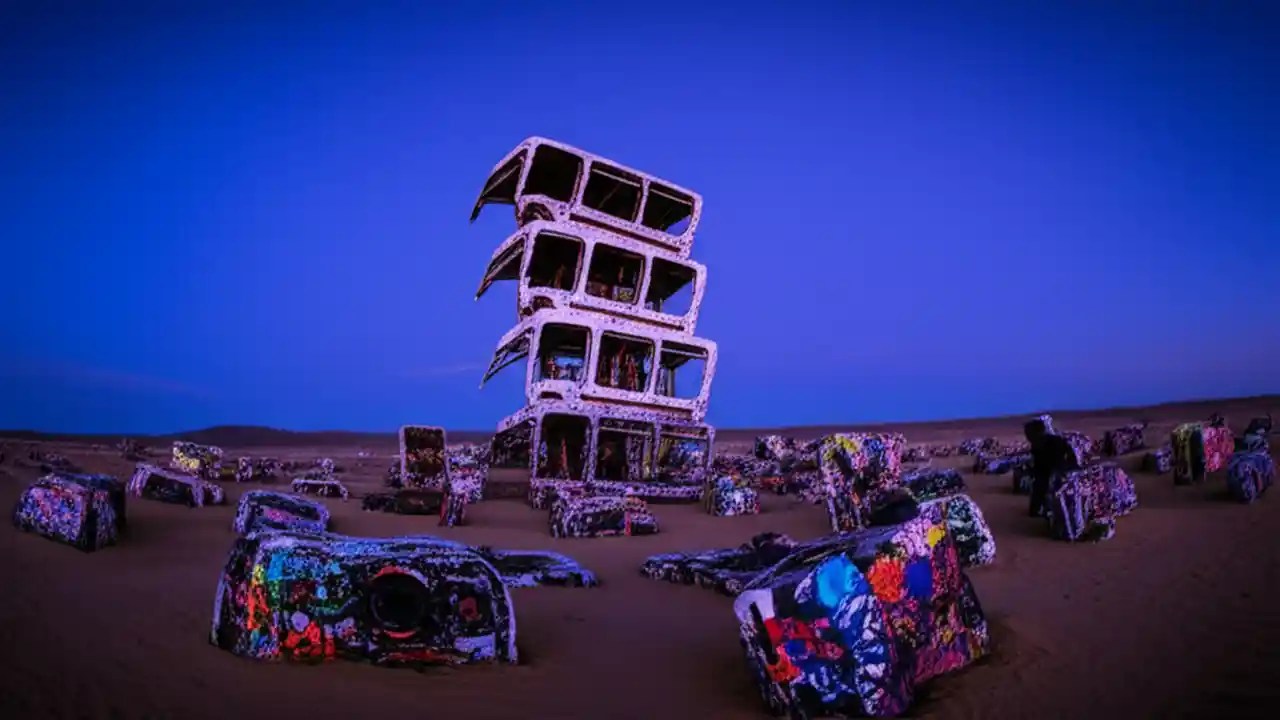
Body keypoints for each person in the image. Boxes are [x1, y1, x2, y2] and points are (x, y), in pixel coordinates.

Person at [1024, 419, 1080, 517]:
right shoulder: (1038, 444)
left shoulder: (1054, 441)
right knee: (1040, 486)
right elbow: (1037, 463)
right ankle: (1038, 510)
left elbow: (1070, 454)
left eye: (1028, 434)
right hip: (1050, 470)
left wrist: (1070, 466)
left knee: (1044, 486)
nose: (1027, 437)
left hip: (1058, 470)